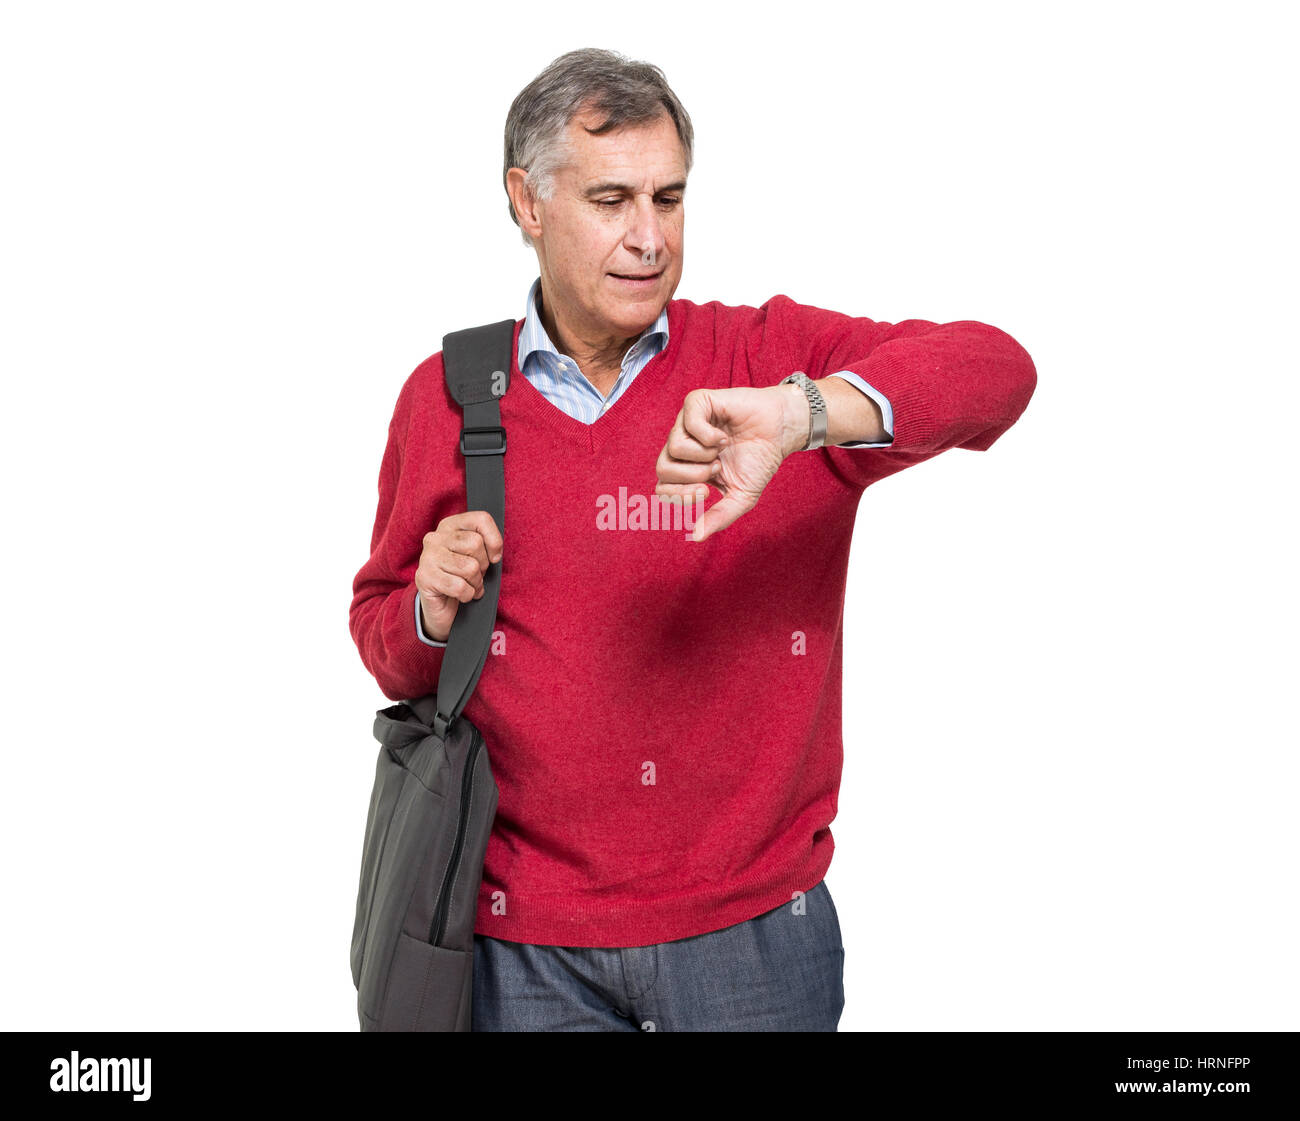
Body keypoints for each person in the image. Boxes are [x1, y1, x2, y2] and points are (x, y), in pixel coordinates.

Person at [349, 47, 1037, 1031]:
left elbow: (997, 371)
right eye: (612, 199)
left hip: (754, 939)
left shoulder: (765, 363)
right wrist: (427, 603)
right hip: (525, 945)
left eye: (669, 199)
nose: (648, 237)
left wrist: (807, 414)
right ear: (527, 202)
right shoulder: (450, 394)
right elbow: (383, 637)